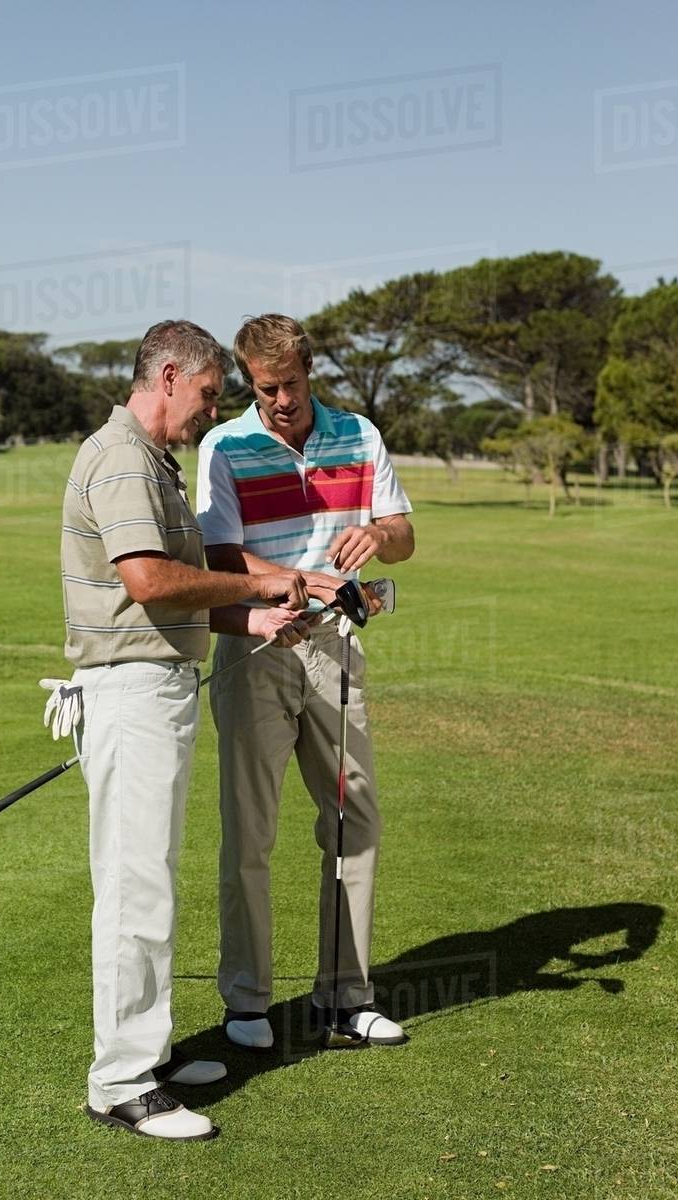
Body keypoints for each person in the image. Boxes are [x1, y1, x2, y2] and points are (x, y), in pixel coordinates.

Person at [58, 319, 335, 1142]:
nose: (213, 412)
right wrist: (268, 580)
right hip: (129, 694)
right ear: (169, 375)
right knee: (135, 890)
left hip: (157, 686)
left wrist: (252, 622)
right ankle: (121, 1082)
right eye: (212, 394)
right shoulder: (119, 457)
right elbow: (148, 582)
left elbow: (177, 597)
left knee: (153, 882)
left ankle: (149, 1053)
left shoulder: (153, 463)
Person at [195, 313, 415, 1051]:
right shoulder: (224, 445)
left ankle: (346, 997)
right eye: (265, 389)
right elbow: (222, 559)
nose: (280, 401)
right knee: (251, 833)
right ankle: (248, 1002)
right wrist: (296, 579)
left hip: (338, 650)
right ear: (247, 381)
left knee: (356, 820)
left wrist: (378, 536)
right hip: (259, 648)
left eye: (289, 384)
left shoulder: (359, 434)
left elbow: (405, 536)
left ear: (309, 368)